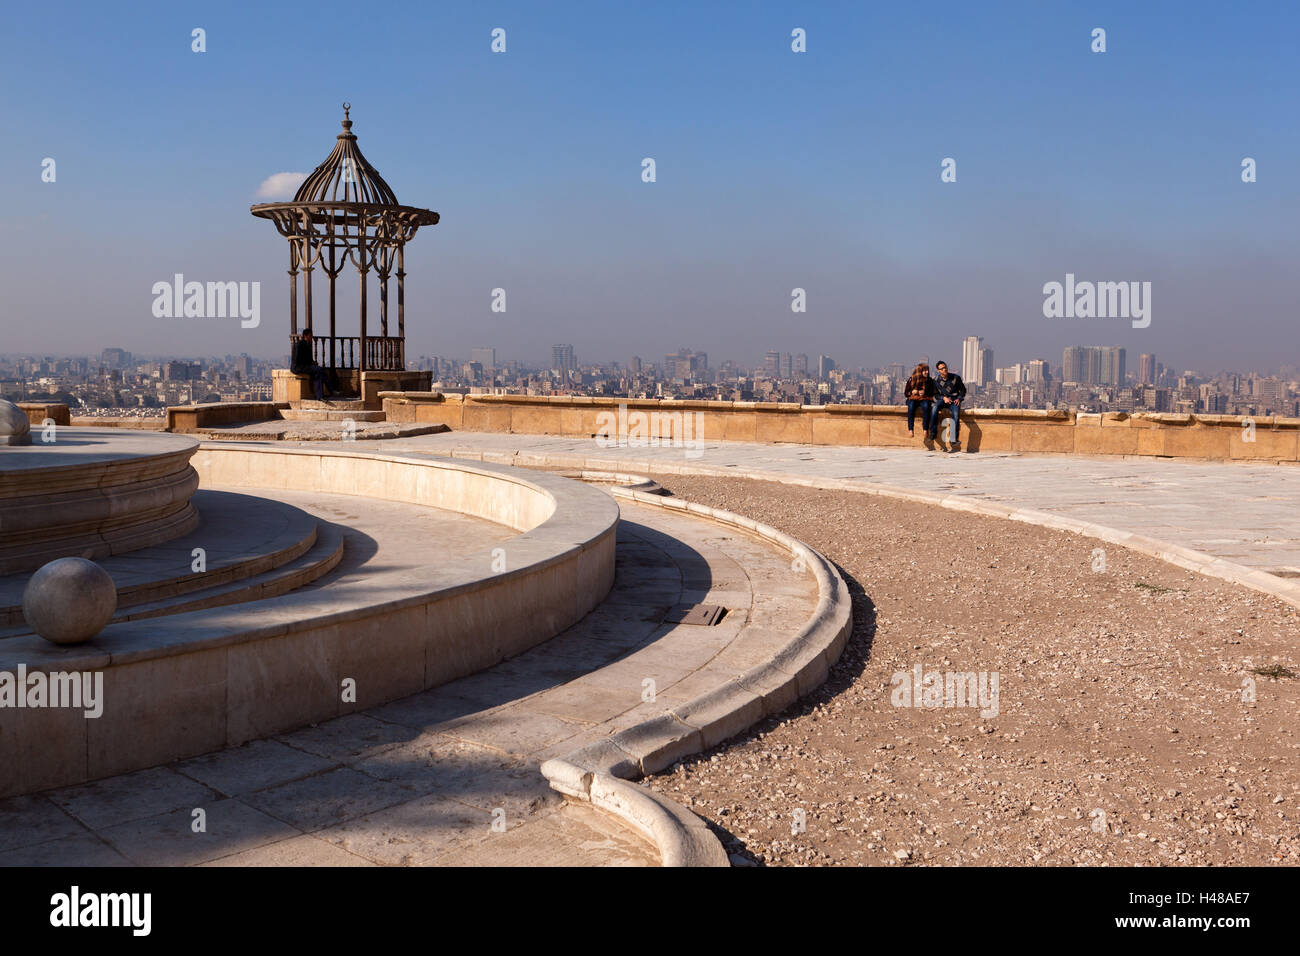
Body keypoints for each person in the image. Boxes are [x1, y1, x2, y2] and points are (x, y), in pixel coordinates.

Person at [929, 360, 967, 451]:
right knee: (934, 408)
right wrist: (943, 398)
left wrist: (959, 398)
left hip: (954, 400)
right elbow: (935, 394)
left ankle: (954, 439)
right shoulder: (935, 380)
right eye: (942, 369)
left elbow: (963, 390)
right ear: (938, 370)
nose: (944, 369)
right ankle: (933, 433)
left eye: (945, 367)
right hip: (943, 400)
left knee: (956, 415)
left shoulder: (955, 378)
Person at [290, 328, 329, 401]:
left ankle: (320, 396)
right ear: (306, 336)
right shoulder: (299, 345)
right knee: (319, 369)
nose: (311, 337)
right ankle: (330, 389)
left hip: (304, 366)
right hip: (298, 367)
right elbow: (298, 359)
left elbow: (308, 359)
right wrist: (310, 363)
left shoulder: (307, 345)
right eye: (310, 335)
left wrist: (312, 362)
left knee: (318, 374)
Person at [903, 362, 934, 440]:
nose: (926, 372)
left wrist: (925, 392)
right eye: (924, 370)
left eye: (927, 370)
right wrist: (913, 392)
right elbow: (906, 393)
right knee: (911, 407)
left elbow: (933, 392)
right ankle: (910, 429)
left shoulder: (929, 380)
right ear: (919, 371)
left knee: (926, 407)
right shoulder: (912, 379)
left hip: (925, 399)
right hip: (913, 399)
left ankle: (925, 429)